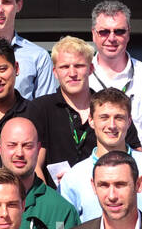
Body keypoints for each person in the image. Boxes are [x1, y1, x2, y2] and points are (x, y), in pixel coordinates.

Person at [59, 89, 142, 221]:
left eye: (119, 118)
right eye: (104, 118)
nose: (111, 125)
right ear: (91, 120)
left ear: (129, 122)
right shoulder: (73, 178)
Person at [88, 1, 142, 152]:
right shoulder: (82, 76)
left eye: (119, 31)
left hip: (139, 169)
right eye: (104, 32)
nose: (111, 38)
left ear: (128, 33)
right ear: (93, 34)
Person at [27, 36, 98, 180]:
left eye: (79, 66)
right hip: (55, 198)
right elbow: (33, 165)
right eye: (65, 67)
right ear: (55, 72)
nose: (72, 73)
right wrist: (50, 202)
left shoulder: (108, 107)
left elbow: (133, 155)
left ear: (91, 69)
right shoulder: (40, 109)